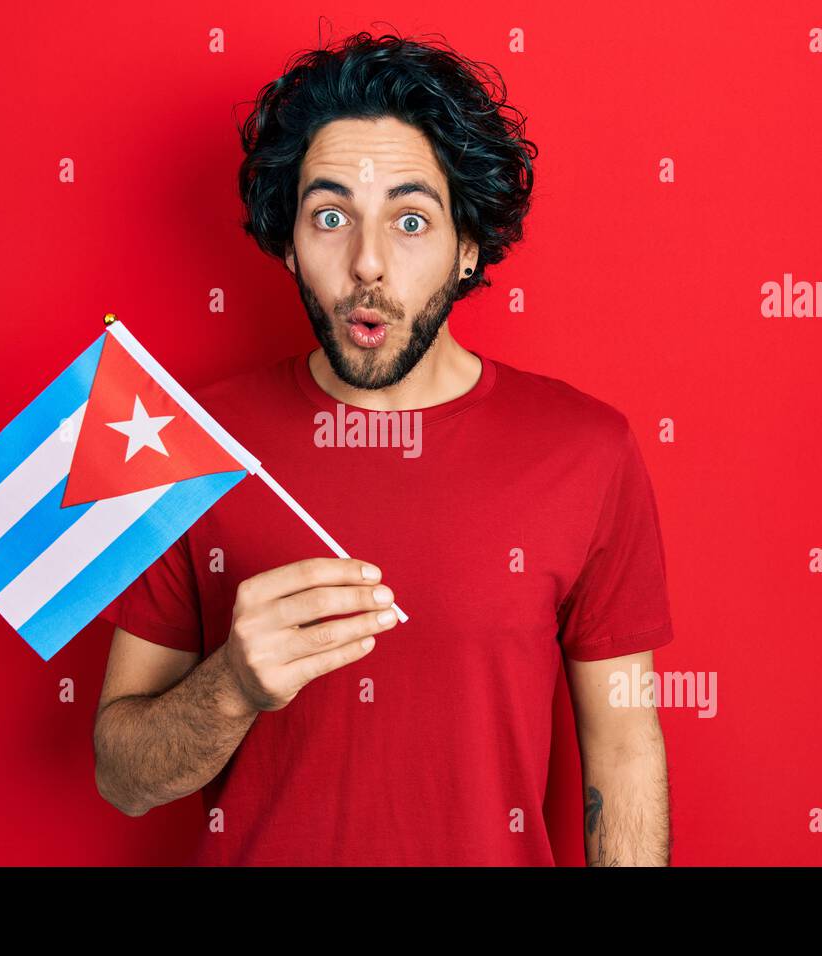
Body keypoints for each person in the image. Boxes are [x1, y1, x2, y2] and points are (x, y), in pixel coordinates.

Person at [92, 30, 674, 866]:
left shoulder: (588, 452)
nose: (368, 264)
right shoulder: (192, 444)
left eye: (410, 220)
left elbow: (621, 748)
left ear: (467, 247)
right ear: (288, 241)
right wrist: (233, 688)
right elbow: (124, 776)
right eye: (331, 217)